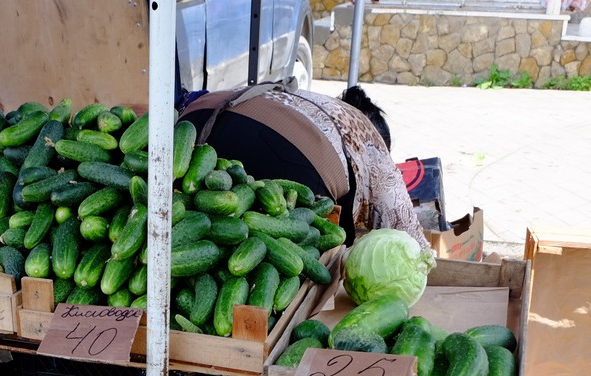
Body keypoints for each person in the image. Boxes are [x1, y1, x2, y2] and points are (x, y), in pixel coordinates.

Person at [178, 82, 432, 252]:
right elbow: (409, 236)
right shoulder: (373, 145)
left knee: (187, 214)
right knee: (272, 245)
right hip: (291, 157)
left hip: (197, 119)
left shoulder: (314, 101)